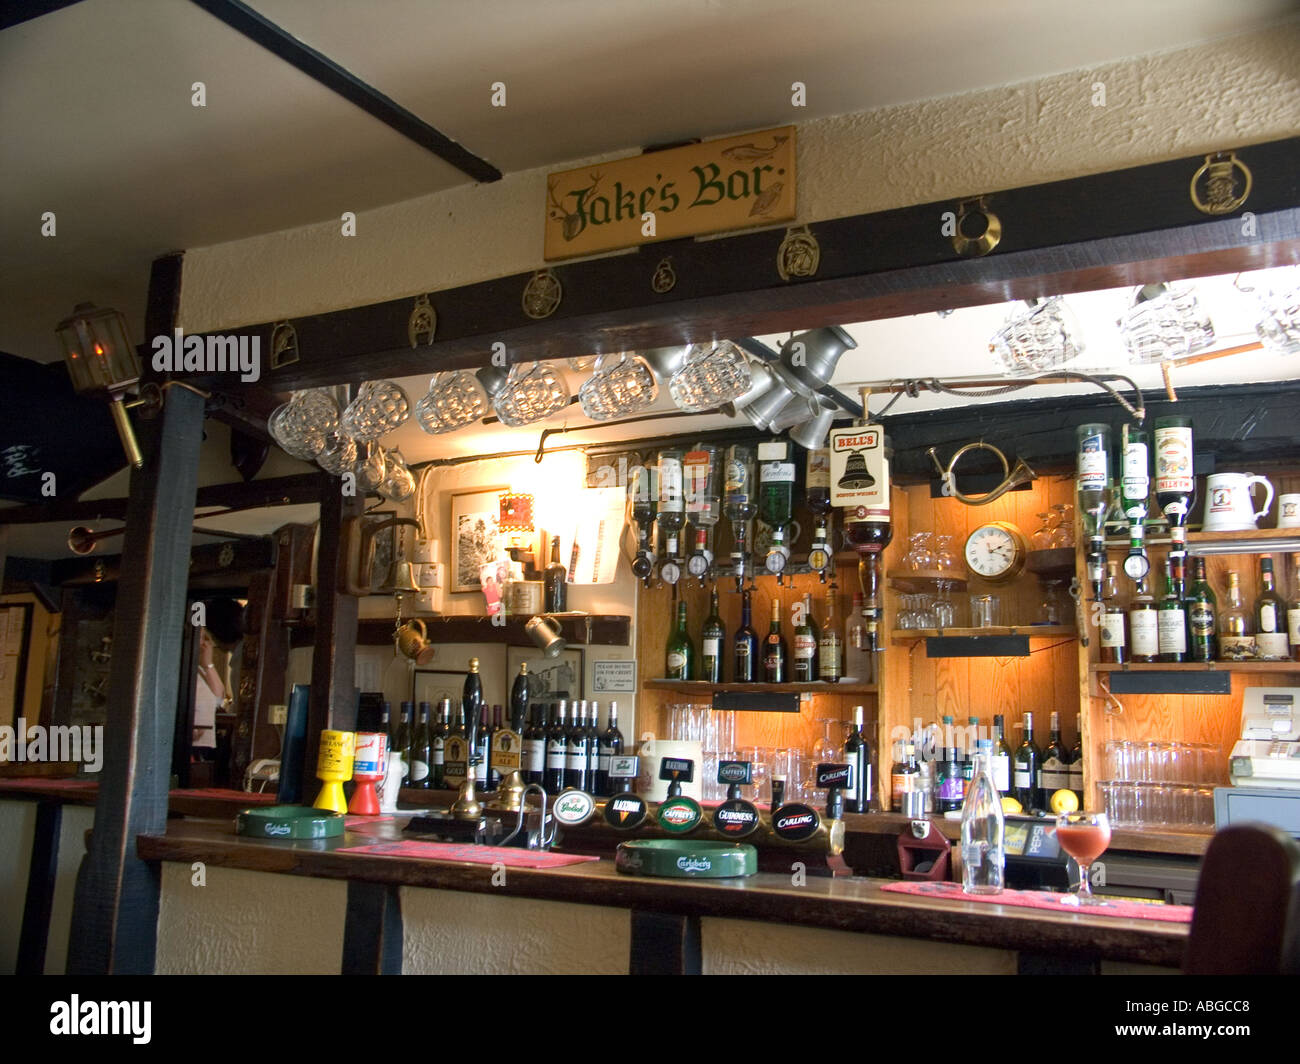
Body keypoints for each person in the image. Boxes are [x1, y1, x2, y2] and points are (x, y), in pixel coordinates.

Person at [192, 598, 245, 755]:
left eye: (205, 635)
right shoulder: (190, 669)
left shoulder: (240, 659)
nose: (205, 642)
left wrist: (208, 665)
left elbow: (219, 696)